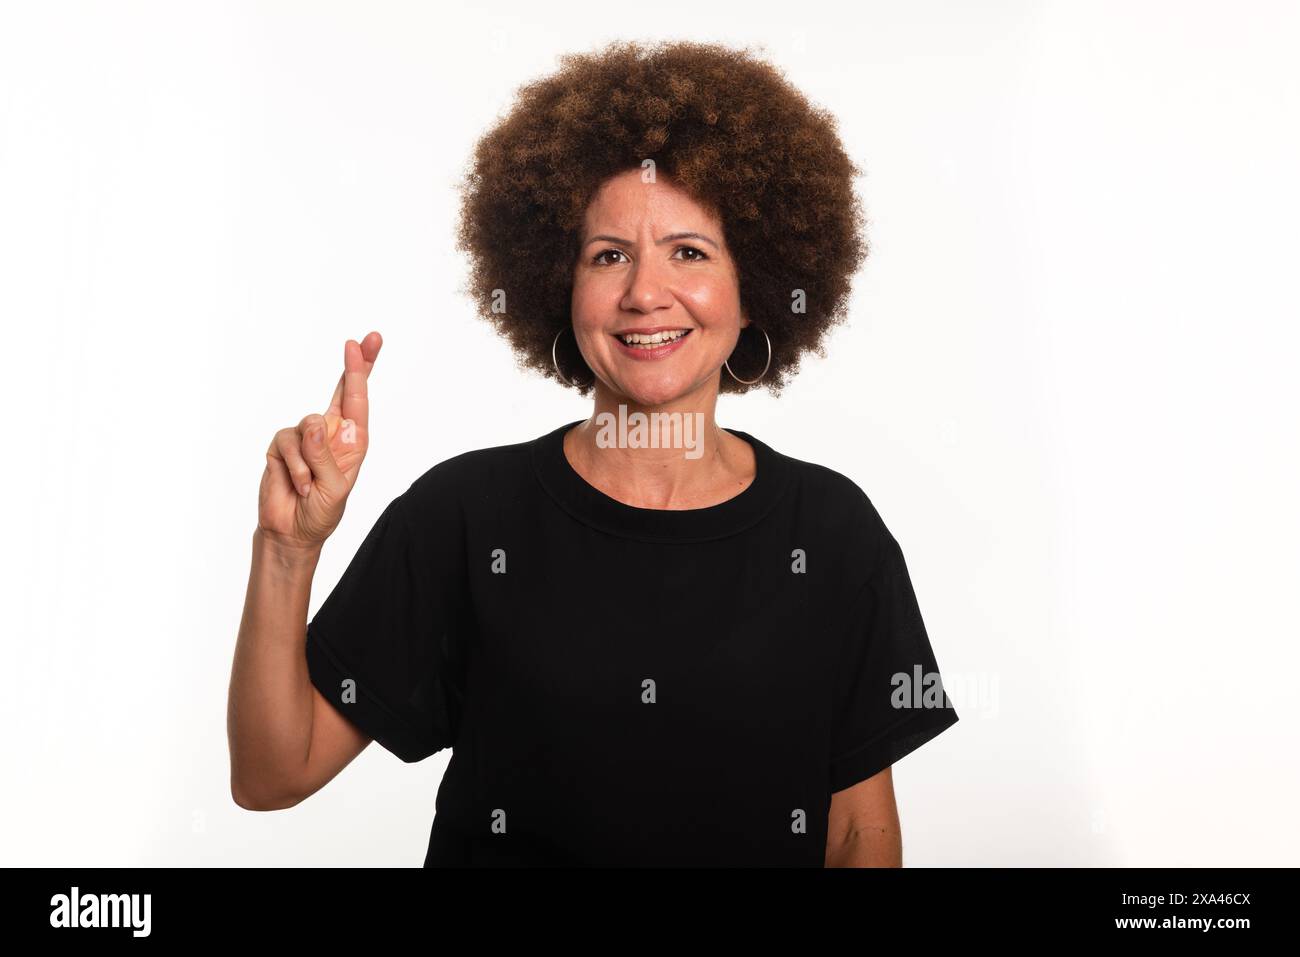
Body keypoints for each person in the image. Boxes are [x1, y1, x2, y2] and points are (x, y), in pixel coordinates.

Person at [227, 39, 959, 867]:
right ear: (559, 288)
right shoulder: (465, 515)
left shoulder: (833, 533)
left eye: (689, 251)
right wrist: (287, 549)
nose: (646, 293)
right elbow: (269, 772)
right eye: (608, 255)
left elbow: (860, 829)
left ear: (754, 288)